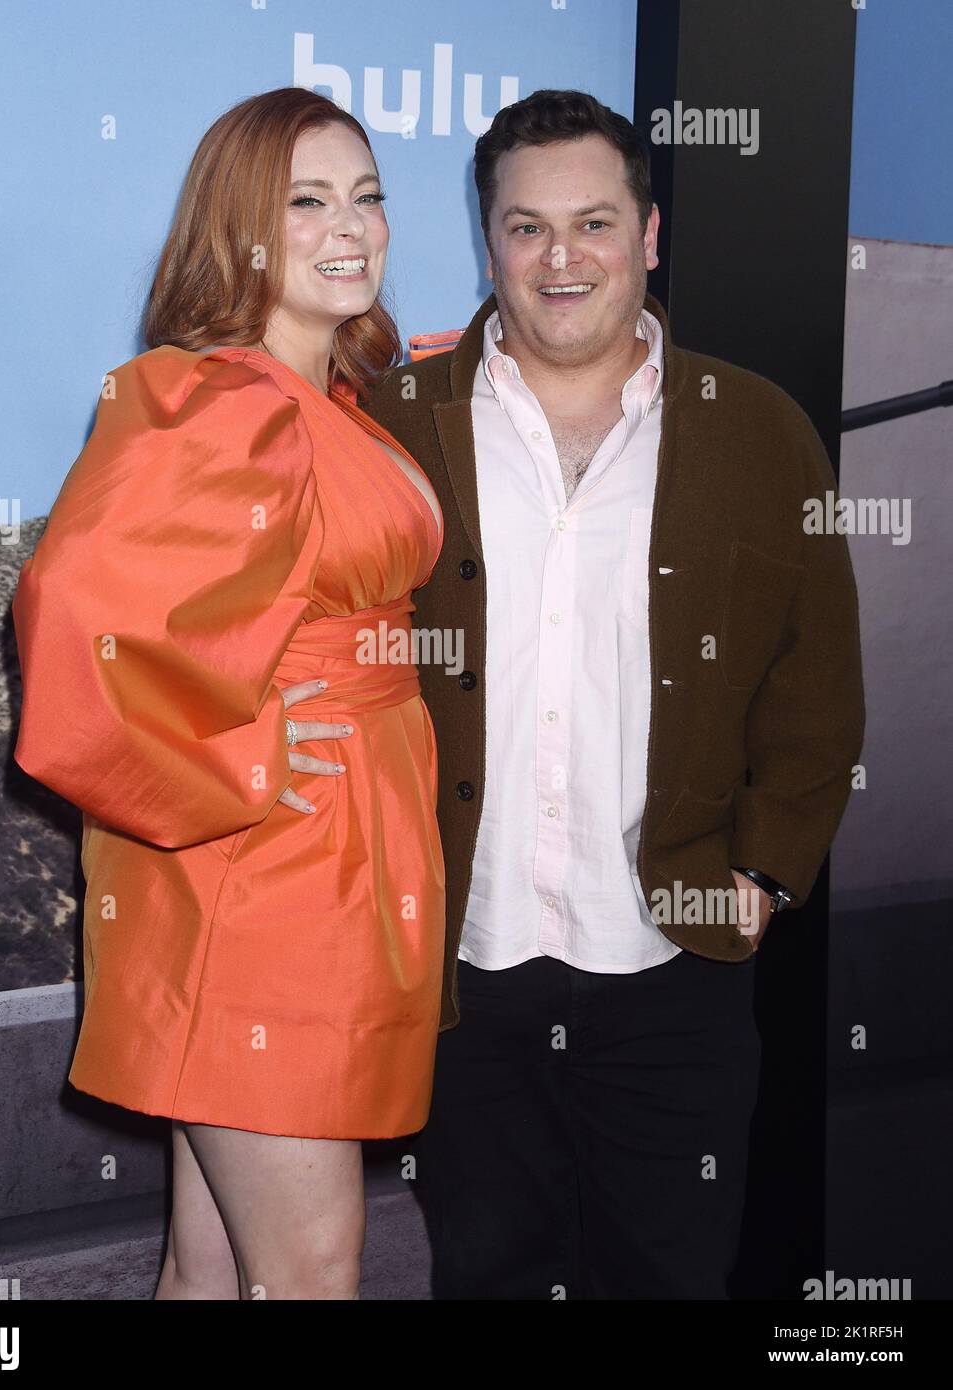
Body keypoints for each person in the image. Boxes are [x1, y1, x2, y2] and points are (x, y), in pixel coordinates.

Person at [360, 89, 866, 1298]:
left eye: (593, 222)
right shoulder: (392, 424)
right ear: (488, 243)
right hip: (464, 971)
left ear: (648, 235)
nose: (559, 258)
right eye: (524, 227)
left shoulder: (755, 428)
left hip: (671, 960)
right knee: (486, 1276)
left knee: (670, 1274)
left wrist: (762, 869)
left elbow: (818, 670)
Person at [10, 88, 446, 1301]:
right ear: (239, 226)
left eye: (366, 196)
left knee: (211, 1268)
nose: (349, 225)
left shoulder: (326, 401)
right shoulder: (219, 400)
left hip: (337, 853)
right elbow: (74, 631)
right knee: (308, 1271)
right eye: (305, 201)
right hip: (271, 872)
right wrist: (246, 756)